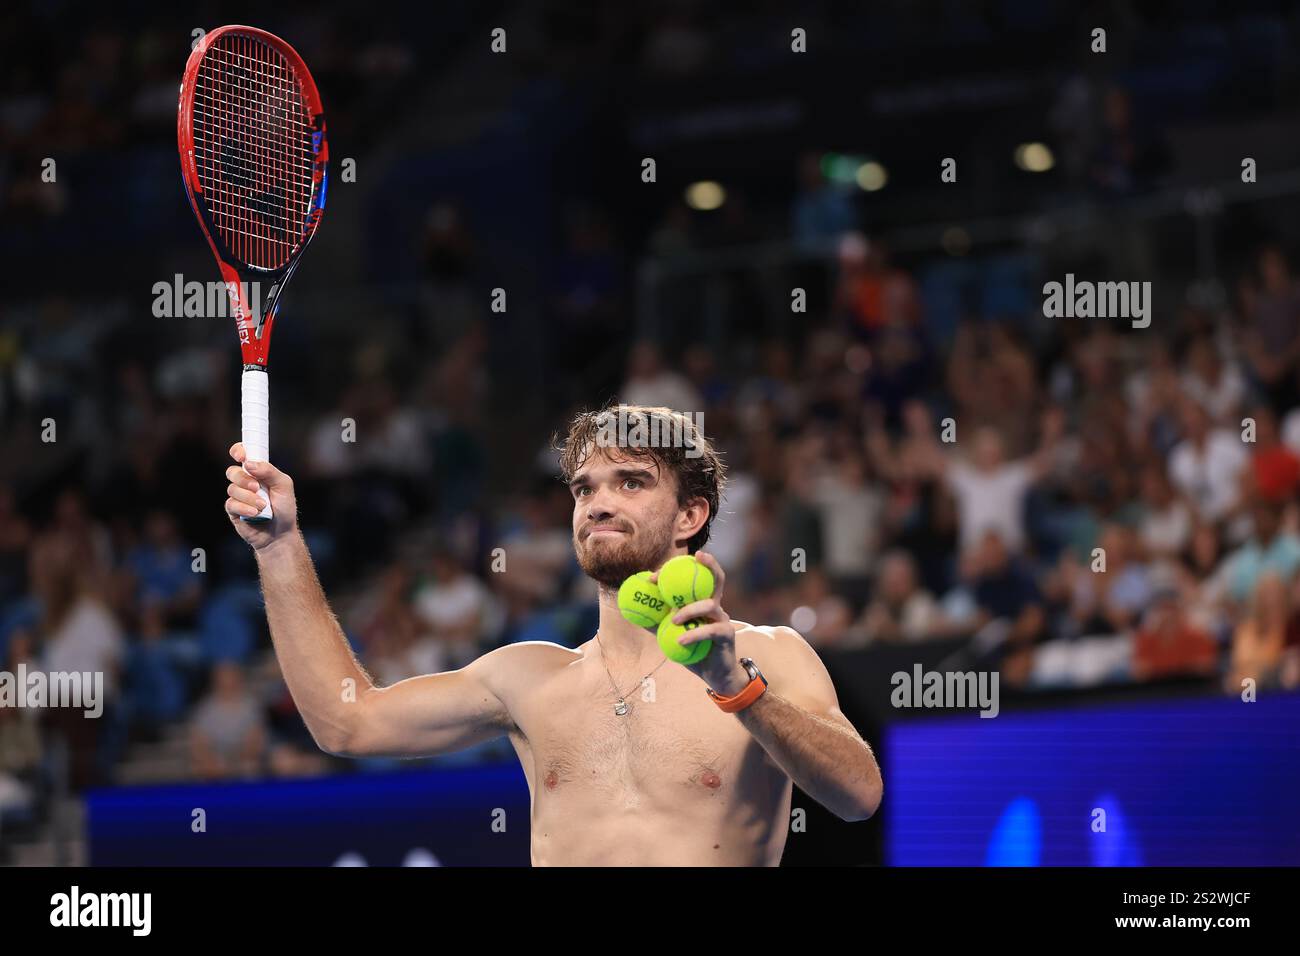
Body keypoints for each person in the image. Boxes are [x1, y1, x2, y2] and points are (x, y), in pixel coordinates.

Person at [221, 404, 882, 866]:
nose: (597, 502)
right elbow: (347, 722)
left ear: (690, 514)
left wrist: (735, 688)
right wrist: (280, 547)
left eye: (630, 482)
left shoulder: (765, 655)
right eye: (584, 488)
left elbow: (858, 796)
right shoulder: (525, 677)